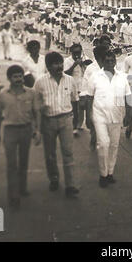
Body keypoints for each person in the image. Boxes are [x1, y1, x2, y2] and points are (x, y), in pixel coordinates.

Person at [0, 65, 41, 208]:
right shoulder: (3, 95)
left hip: (26, 130)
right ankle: (14, 195)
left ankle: (22, 187)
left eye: (20, 76)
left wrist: (37, 130)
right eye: (15, 76)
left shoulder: (31, 93)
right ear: (9, 79)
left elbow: (36, 112)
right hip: (10, 131)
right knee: (12, 164)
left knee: (24, 161)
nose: (18, 79)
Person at [34, 52, 80, 198]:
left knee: (68, 152)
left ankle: (70, 185)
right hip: (48, 121)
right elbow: (37, 106)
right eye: (55, 63)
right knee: (50, 154)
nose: (59, 66)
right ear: (48, 66)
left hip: (66, 119)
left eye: (60, 63)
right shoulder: (40, 82)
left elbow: (74, 101)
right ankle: (54, 178)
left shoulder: (70, 80)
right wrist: (37, 128)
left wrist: (76, 122)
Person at [87, 51, 132, 188]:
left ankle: (110, 172)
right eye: (107, 60)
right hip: (99, 114)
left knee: (114, 145)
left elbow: (128, 97)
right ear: (103, 61)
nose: (110, 63)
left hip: (117, 115)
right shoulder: (95, 76)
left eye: (112, 60)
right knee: (103, 144)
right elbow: (89, 97)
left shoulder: (122, 77)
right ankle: (103, 174)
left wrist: (130, 115)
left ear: (115, 61)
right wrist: (89, 116)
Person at [80, 45, 110, 150]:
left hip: (107, 100)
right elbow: (85, 85)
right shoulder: (91, 68)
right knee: (95, 123)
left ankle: (101, 140)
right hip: (94, 100)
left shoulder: (110, 66)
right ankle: (95, 138)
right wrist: (83, 100)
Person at [64, 43, 91, 136]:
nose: (77, 54)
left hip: (83, 86)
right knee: (75, 107)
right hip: (72, 87)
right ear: (71, 52)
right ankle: (75, 125)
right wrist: (74, 64)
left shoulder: (85, 59)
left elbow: (89, 71)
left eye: (79, 52)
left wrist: (83, 64)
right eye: (75, 52)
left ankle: (80, 123)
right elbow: (65, 73)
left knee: (83, 106)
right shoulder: (67, 61)